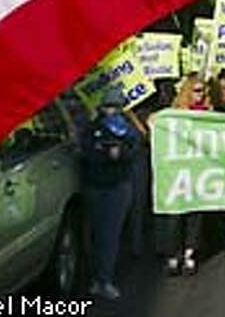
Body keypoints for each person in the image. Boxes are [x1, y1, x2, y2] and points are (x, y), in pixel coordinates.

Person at [82, 88, 140, 300]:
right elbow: (86, 151)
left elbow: (135, 149)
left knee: (110, 235)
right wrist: (105, 153)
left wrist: (121, 153)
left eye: (116, 107)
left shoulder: (128, 128)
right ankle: (97, 278)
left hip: (118, 186)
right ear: (102, 108)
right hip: (96, 186)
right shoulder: (93, 128)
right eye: (109, 107)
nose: (112, 111)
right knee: (98, 235)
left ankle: (104, 280)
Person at [156, 74, 208, 275]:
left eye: (203, 91)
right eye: (196, 90)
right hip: (177, 173)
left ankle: (189, 254)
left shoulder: (208, 114)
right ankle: (172, 255)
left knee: (195, 215)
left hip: (200, 172)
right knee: (175, 216)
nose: (200, 95)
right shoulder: (174, 114)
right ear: (187, 91)